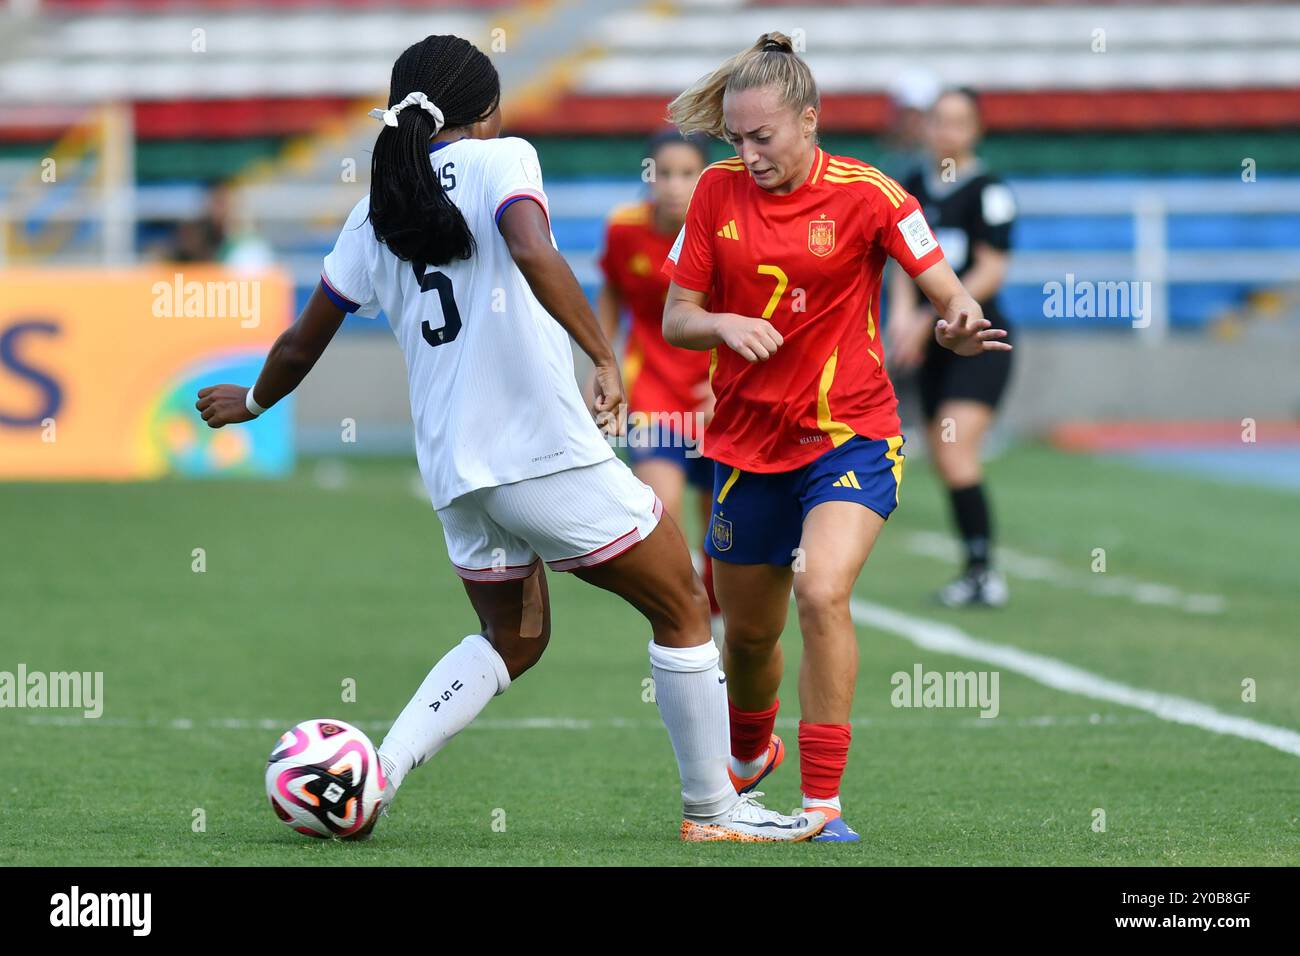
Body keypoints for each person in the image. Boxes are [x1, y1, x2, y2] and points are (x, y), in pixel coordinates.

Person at [196, 34, 822, 843]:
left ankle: (370, 780)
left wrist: (251, 400)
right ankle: (714, 809)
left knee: (513, 639)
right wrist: (602, 353)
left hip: (456, 473)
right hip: (537, 449)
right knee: (683, 607)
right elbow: (530, 247)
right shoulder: (504, 160)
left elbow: (299, 343)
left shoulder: (373, 211)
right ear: (486, 111)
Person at [661, 33, 1010, 841]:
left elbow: (947, 292)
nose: (747, 155)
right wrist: (721, 321)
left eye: (764, 137)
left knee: (821, 591)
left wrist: (957, 324)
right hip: (746, 444)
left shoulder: (874, 194)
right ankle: (750, 752)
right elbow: (678, 318)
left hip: (849, 433)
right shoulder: (714, 193)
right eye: (736, 139)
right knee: (746, 636)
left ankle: (823, 804)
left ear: (809, 121)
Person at [887, 87, 1016, 607]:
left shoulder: (989, 190)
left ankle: (984, 572)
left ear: (976, 129)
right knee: (945, 455)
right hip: (930, 344)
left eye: (959, 122)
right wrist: (899, 314)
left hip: (977, 338)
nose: (946, 131)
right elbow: (899, 261)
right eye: (938, 121)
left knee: (956, 450)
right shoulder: (912, 183)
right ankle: (976, 570)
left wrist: (925, 315)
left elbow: (990, 269)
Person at [595, 128, 723, 632]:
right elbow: (612, 293)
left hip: (717, 393)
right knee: (661, 510)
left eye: (687, 174)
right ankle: (681, 612)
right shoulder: (624, 229)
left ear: (706, 177)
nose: (674, 185)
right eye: (663, 173)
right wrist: (601, 363)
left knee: (724, 527)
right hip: (652, 389)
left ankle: (717, 610)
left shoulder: (724, 231)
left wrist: (725, 383)